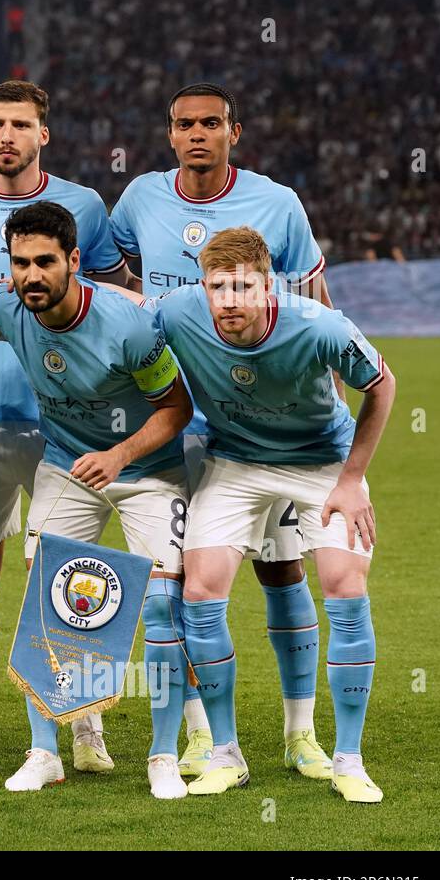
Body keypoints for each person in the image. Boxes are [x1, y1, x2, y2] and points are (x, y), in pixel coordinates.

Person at [110, 83, 337, 779]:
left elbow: (313, 304)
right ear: (170, 133)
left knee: (279, 564)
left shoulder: (278, 204)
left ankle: (301, 735)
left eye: (212, 122)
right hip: (172, 421)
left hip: (257, 426)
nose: (198, 133)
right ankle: (204, 735)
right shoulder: (140, 199)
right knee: (179, 580)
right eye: (186, 124)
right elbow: (120, 287)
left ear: (235, 130)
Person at [0, 202, 193, 798]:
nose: (30, 275)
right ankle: (47, 750)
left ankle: (163, 758)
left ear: (75, 261)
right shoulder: (6, 306)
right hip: (65, 466)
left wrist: (120, 456)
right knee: (48, 601)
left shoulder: (128, 323)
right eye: (19, 263)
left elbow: (177, 408)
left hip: (149, 471)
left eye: (44, 262)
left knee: (164, 608)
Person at [151, 226, 394, 803]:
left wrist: (354, 477)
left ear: (269, 286)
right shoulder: (180, 312)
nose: (229, 299)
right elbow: (124, 317)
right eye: (217, 286)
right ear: (202, 287)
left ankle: (349, 759)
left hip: (322, 464)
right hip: (234, 461)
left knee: (344, 587)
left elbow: (382, 385)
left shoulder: (319, 326)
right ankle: (226, 753)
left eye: (242, 286)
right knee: (201, 594)